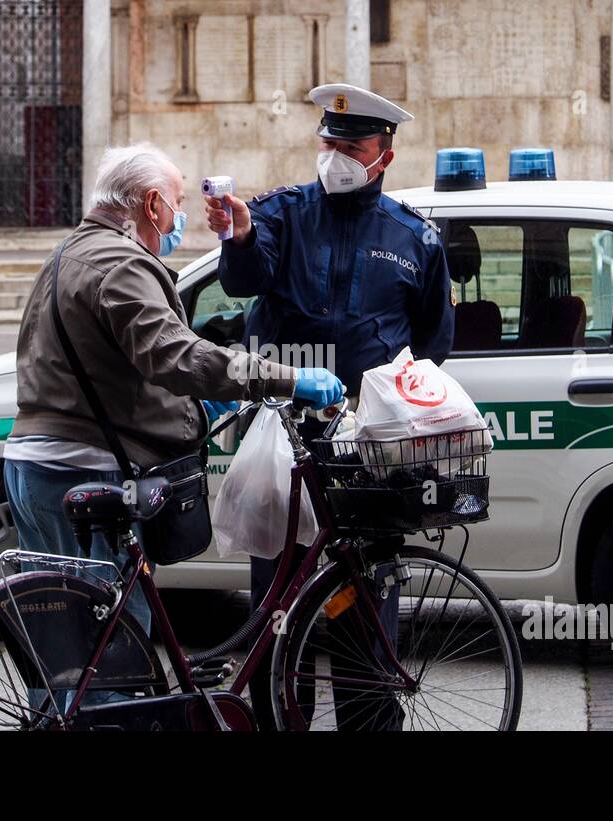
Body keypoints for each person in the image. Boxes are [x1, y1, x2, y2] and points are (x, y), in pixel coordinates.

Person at [4, 142, 344, 650]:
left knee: (61, 645)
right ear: (150, 204)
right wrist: (287, 380)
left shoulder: (69, 253)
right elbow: (178, 356)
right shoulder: (121, 264)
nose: (180, 216)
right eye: (178, 203)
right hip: (84, 472)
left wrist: (192, 408)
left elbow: (106, 371)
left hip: (35, 467)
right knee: (113, 645)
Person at [205, 84, 455, 730]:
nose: (335, 155)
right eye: (328, 143)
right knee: (280, 621)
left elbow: (432, 343)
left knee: (365, 627)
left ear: (384, 157)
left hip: (369, 457)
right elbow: (243, 276)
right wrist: (237, 235)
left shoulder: (415, 238)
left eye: (351, 145)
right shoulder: (283, 215)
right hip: (288, 452)